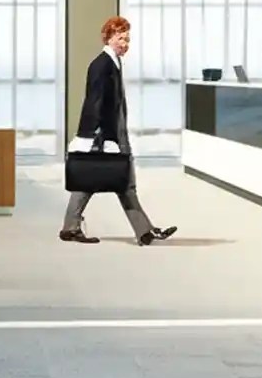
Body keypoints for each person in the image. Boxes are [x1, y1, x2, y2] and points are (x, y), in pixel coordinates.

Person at [60, 16, 177, 246]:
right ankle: (72, 227)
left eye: (128, 39)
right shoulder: (101, 64)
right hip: (106, 135)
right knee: (100, 181)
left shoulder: (113, 62)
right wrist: (91, 136)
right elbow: (93, 102)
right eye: (122, 38)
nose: (126, 44)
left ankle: (143, 231)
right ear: (110, 37)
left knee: (120, 182)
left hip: (113, 132)